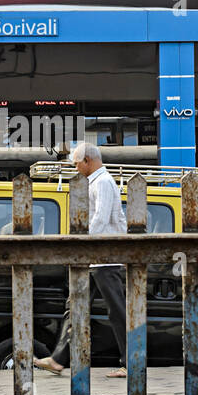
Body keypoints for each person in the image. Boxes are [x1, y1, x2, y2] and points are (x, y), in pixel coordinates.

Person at [34, 141, 128, 379]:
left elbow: (101, 219)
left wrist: (82, 244)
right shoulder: (95, 181)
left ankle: (130, 363)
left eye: (77, 163)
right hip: (94, 259)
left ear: (87, 161)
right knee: (75, 307)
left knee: (117, 311)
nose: (76, 168)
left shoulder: (104, 182)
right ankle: (57, 359)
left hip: (105, 258)